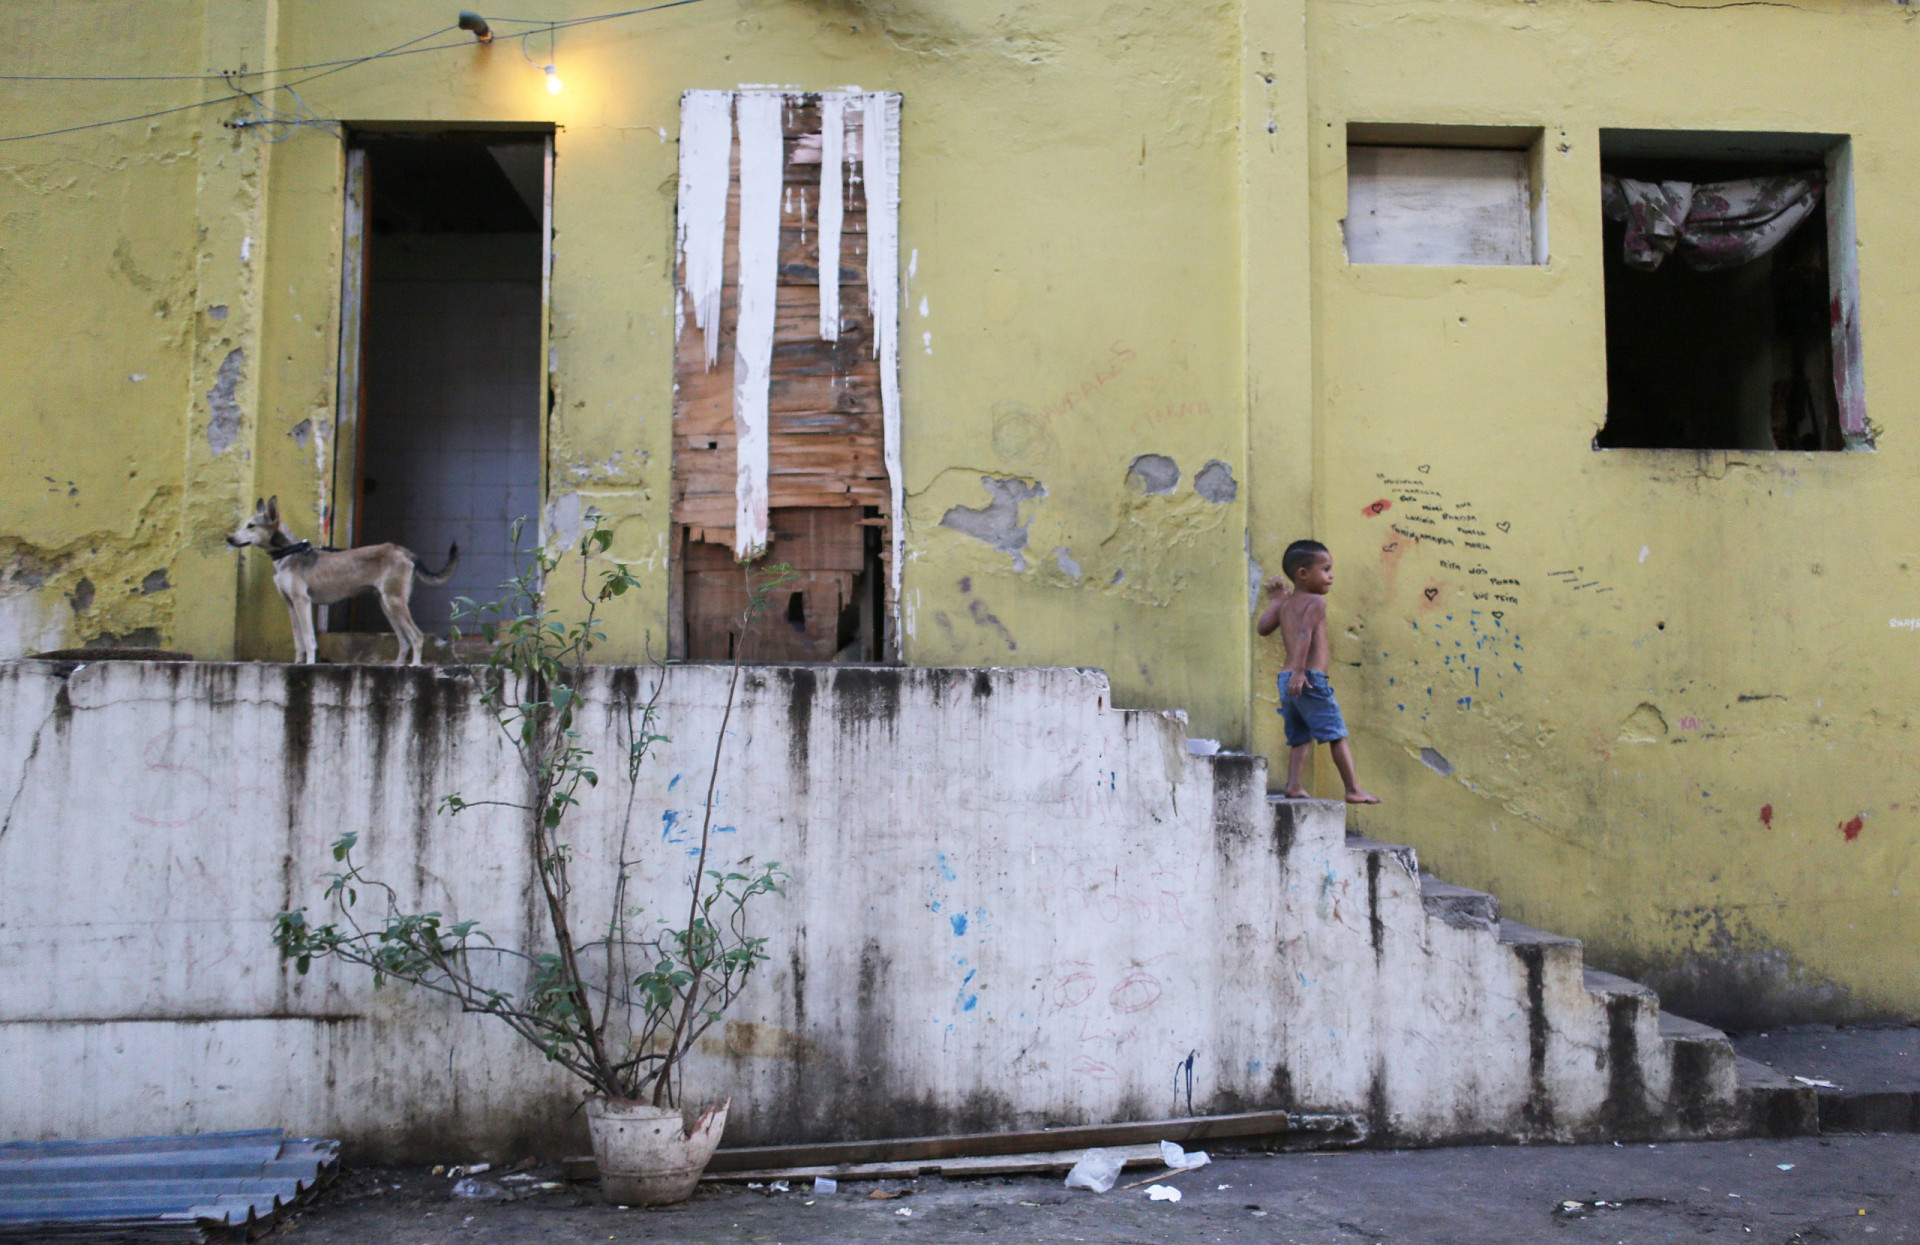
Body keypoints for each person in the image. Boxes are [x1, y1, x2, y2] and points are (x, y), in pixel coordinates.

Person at [1256, 539, 1380, 804]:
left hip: (1285, 680)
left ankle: (1294, 785)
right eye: (1326, 569)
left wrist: (1276, 600)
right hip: (1308, 679)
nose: (1331, 576)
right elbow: (1304, 634)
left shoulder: (1286, 603)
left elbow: (1263, 627)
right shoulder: (1316, 602)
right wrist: (1302, 672)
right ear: (1303, 574)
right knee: (1335, 733)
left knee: (1300, 736)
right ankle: (1353, 788)